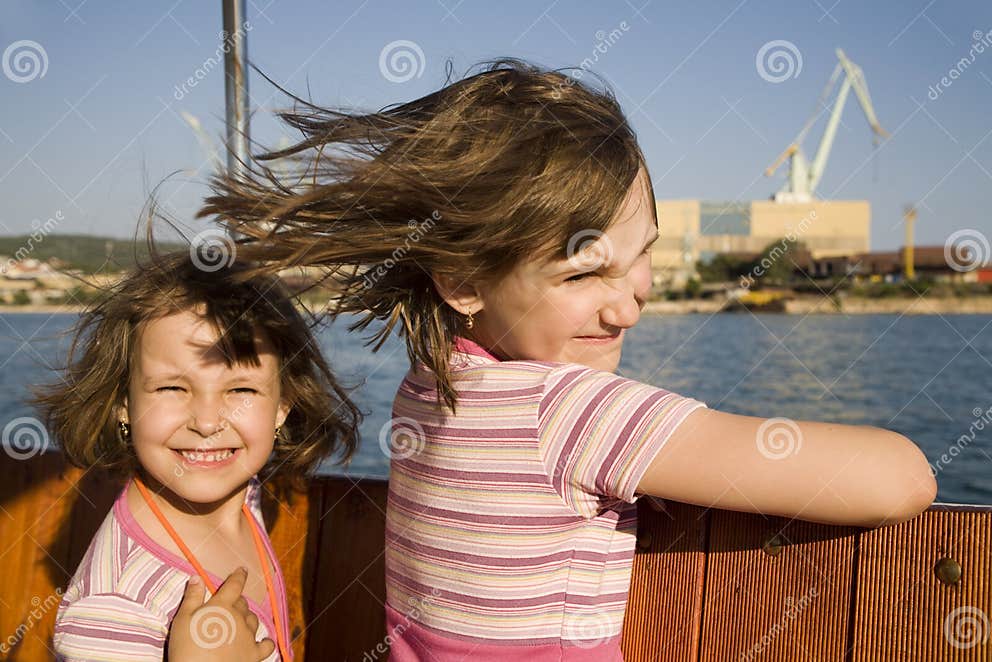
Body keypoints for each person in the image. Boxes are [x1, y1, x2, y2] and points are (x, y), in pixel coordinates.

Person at [197, 58, 937, 660]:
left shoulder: (431, 387)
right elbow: (902, 480)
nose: (628, 304)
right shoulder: (573, 410)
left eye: (641, 254)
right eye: (584, 275)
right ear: (461, 280)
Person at [32, 249, 361, 661]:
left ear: (283, 405)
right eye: (172, 388)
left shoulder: (240, 492)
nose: (207, 423)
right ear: (123, 403)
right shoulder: (114, 610)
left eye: (241, 390)